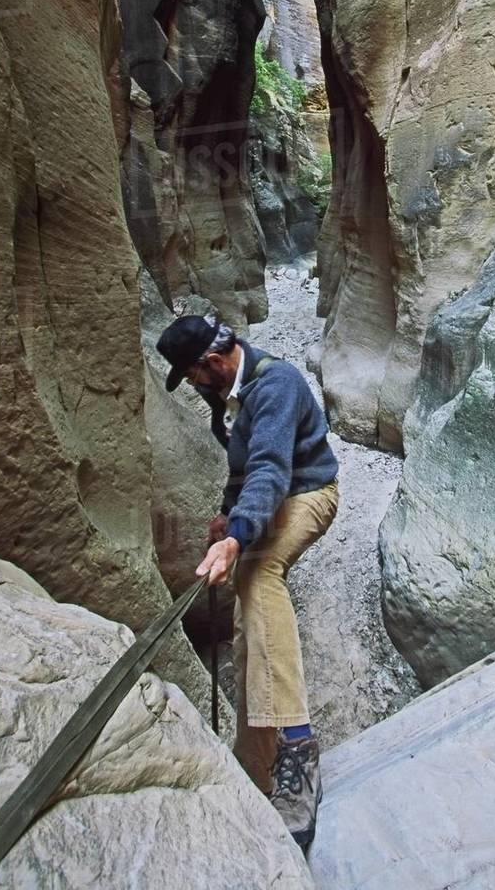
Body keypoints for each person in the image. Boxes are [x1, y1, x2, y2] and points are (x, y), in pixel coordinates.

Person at [156, 313, 339, 848]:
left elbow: (270, 469)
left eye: (191, 374)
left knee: (259, 575)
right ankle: (257, 768)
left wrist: (238, 539)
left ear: (212, 363)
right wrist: (227, 516)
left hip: (309, 493)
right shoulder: (226, 396)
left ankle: (300, 755)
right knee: (246, 614)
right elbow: (242, 473)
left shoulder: (276, 384)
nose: (191, 385)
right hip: (273, 494)